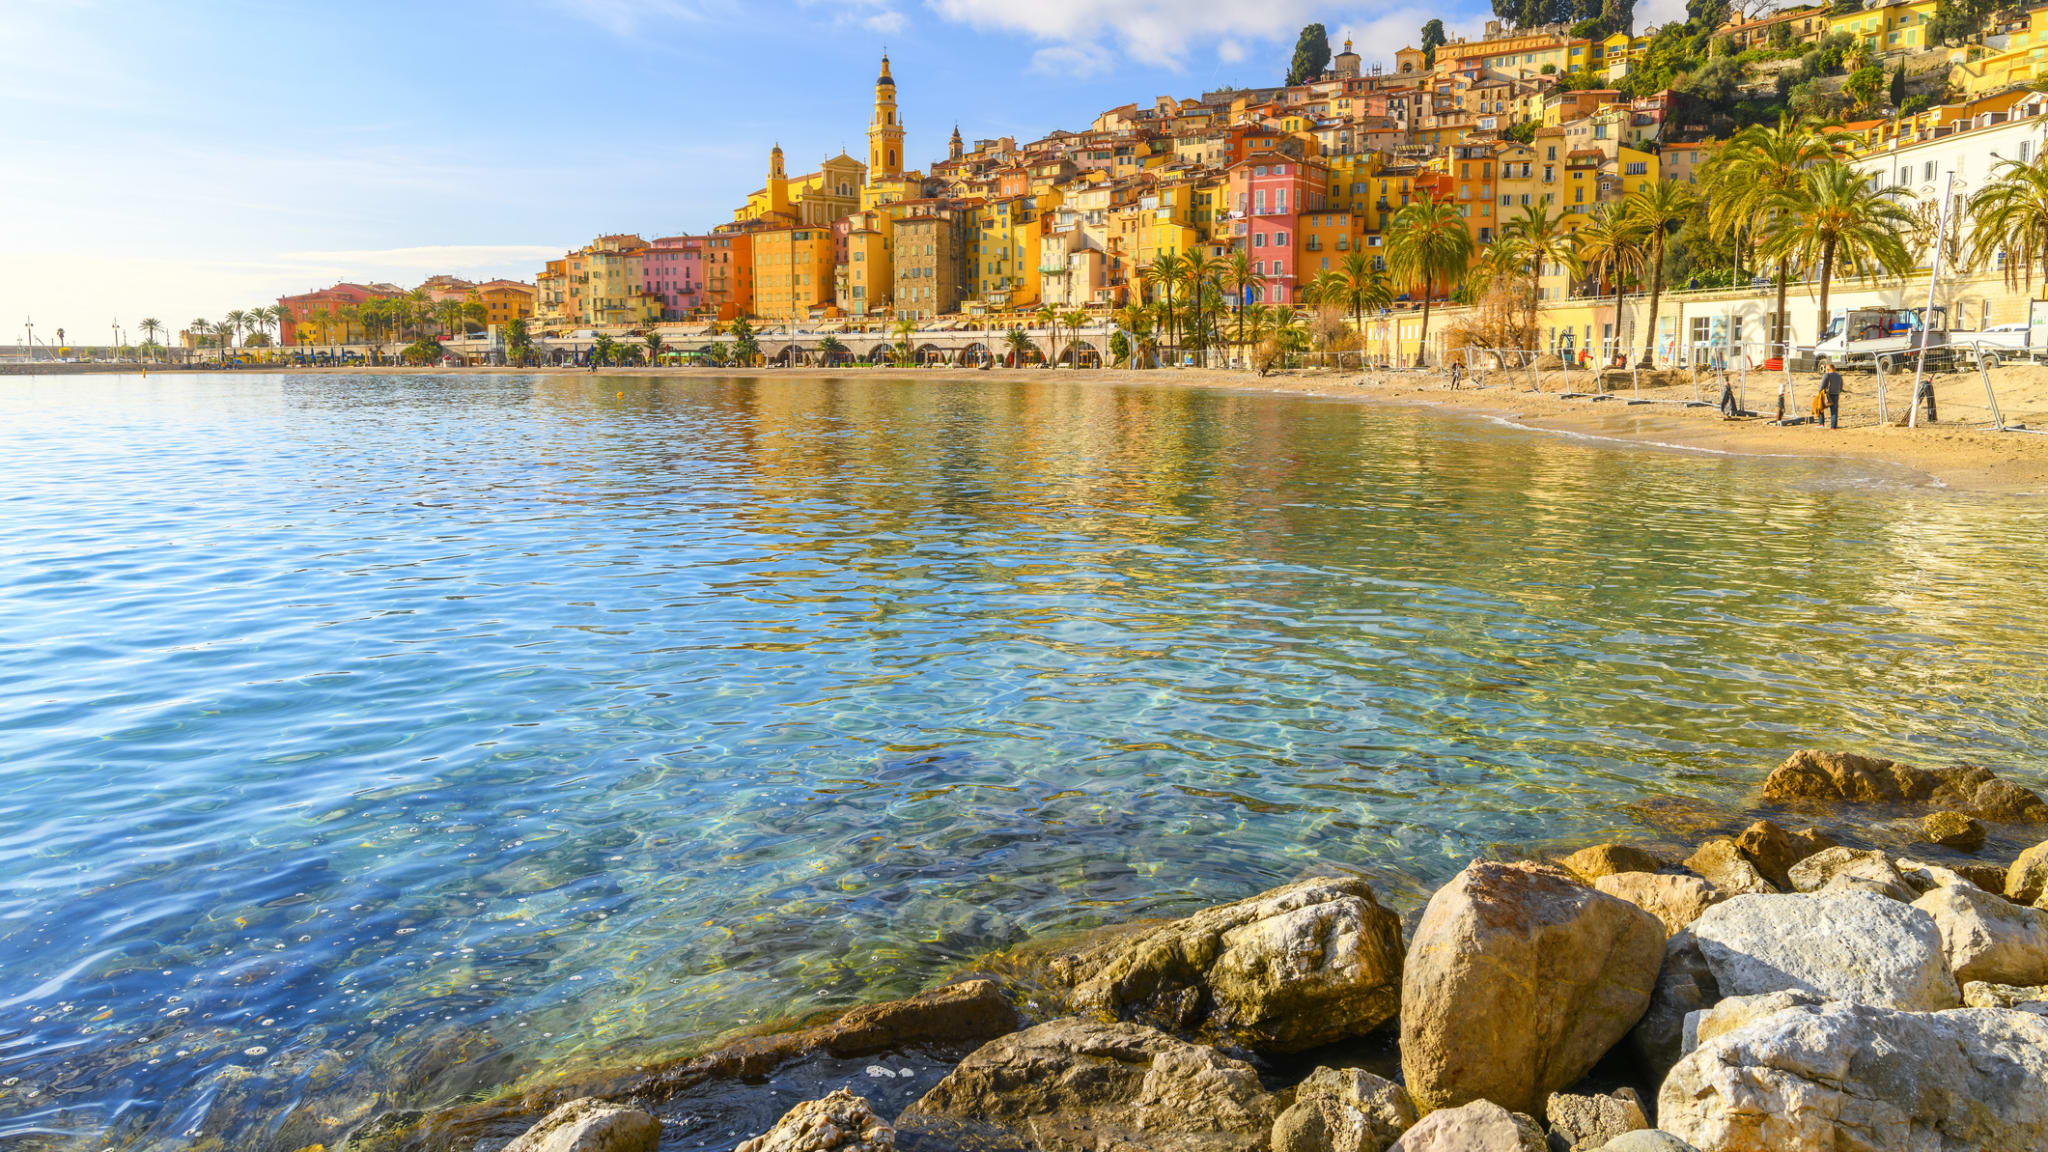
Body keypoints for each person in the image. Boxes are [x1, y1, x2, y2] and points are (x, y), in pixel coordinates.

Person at [1820, 360, 1844, 429]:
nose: (1825, 370)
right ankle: (1833, 426)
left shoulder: (1827, 375)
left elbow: (1822, 385)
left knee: (1820, 407)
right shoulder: (1839, 376)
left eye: (1826, 369)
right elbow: (1841, 386)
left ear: (1828, 369)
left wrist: (1819, 392)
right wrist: (1838, 391)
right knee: (1834, 411)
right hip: (1836, 394)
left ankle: (1821, 423)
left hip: (1828, 395)